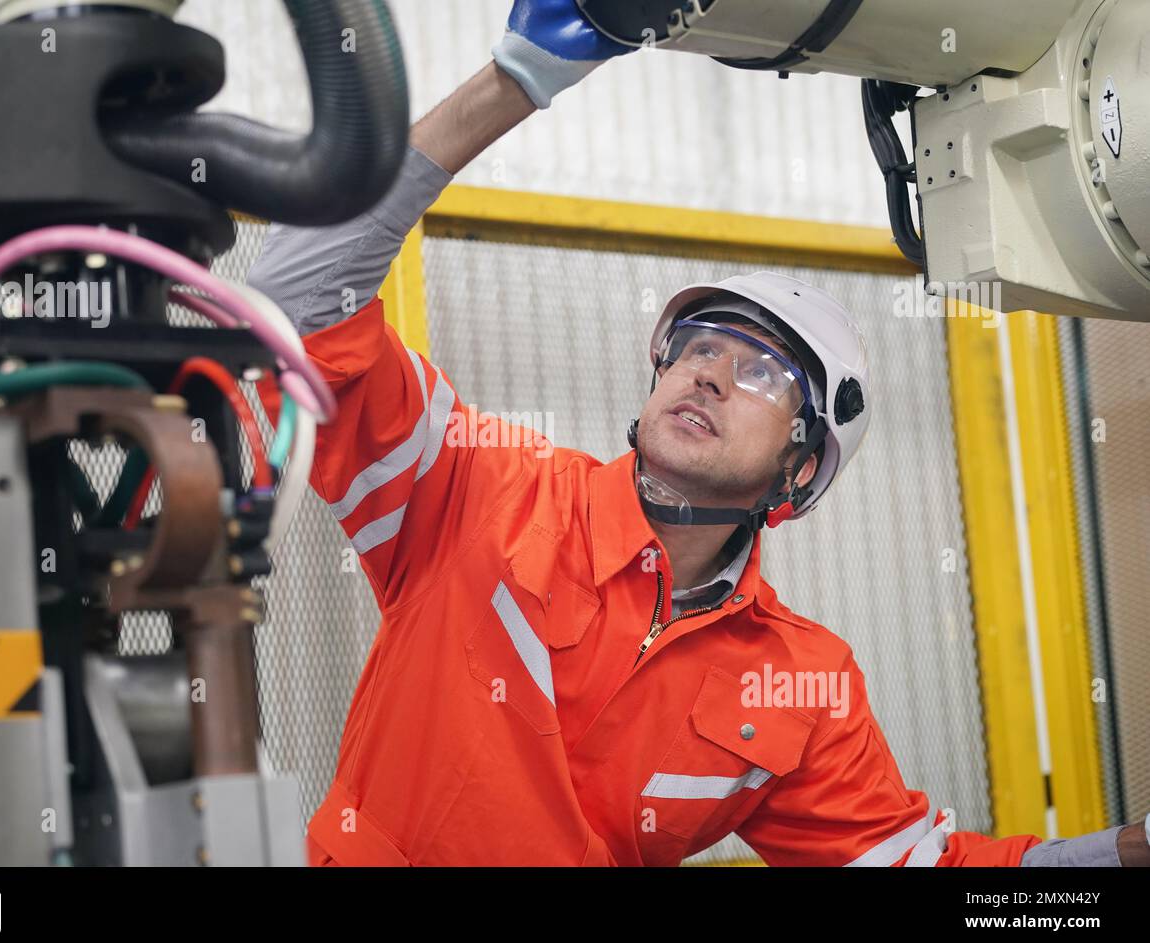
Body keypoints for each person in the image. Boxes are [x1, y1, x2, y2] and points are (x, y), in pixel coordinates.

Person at [248, 0, 1148, 866]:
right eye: (696, 346)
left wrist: (1121, 853)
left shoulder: (800, 683)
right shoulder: (482, 490)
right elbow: (294, 307)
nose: (709, 371)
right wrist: (516, 78)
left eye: (763, 372)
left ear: (800, 470)